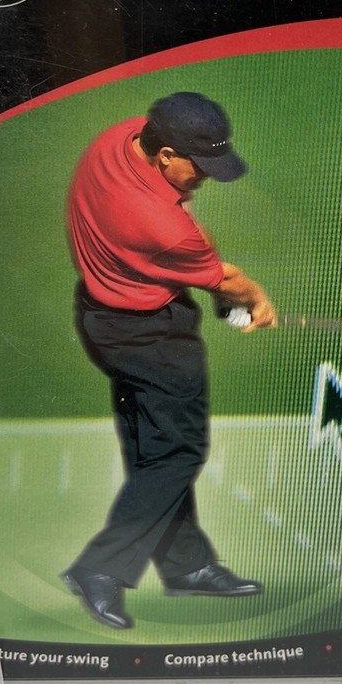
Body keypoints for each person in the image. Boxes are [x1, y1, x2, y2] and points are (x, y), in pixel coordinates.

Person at [61, 91, 277, 629]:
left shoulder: (117, 139)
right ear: (165, 155)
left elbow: (193, 251)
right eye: (198, 167)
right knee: (178, 453)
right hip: (150, 337)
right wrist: (255, 300)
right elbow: (224, 277)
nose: (204, 178)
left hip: (101, 317)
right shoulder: (161, 225)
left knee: (153, 450)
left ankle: (187, 565)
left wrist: (216, 288)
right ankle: (100, 568)